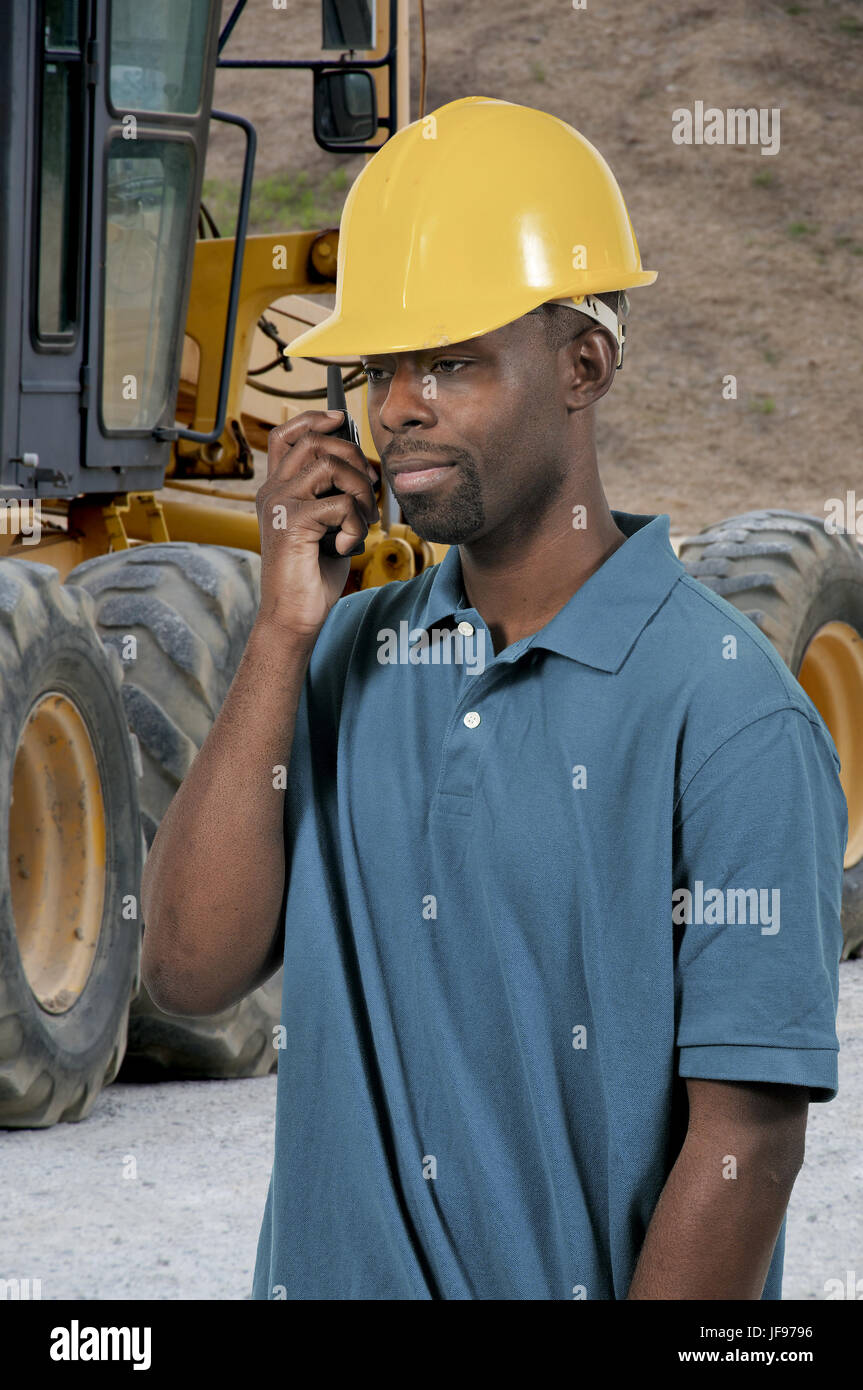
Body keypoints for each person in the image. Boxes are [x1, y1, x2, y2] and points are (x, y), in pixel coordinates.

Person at [140, 97, 847, 1300]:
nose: (400, 404)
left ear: (584, 364)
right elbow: (187, 970)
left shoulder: (728, 716)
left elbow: (746, 1141)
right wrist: (281, 631)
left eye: (452, 361)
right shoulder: (339, 660)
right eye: (379, 370)